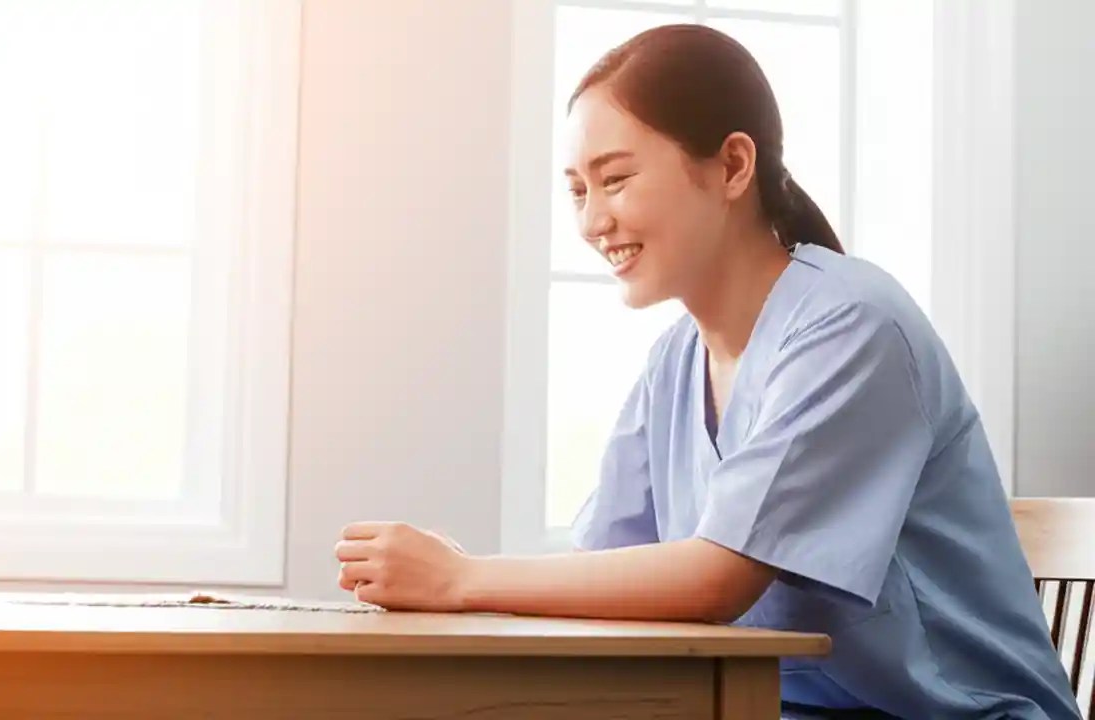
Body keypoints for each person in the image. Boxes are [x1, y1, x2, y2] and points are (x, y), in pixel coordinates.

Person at [334, 24, 1080, 719]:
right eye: (577, 190)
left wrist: (461, 579)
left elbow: (717, 578)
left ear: (731, 166)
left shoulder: (852, 323)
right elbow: (608, 570)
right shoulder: (675, 362)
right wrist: (450, 578)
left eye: (615, 179)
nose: (592, 220)